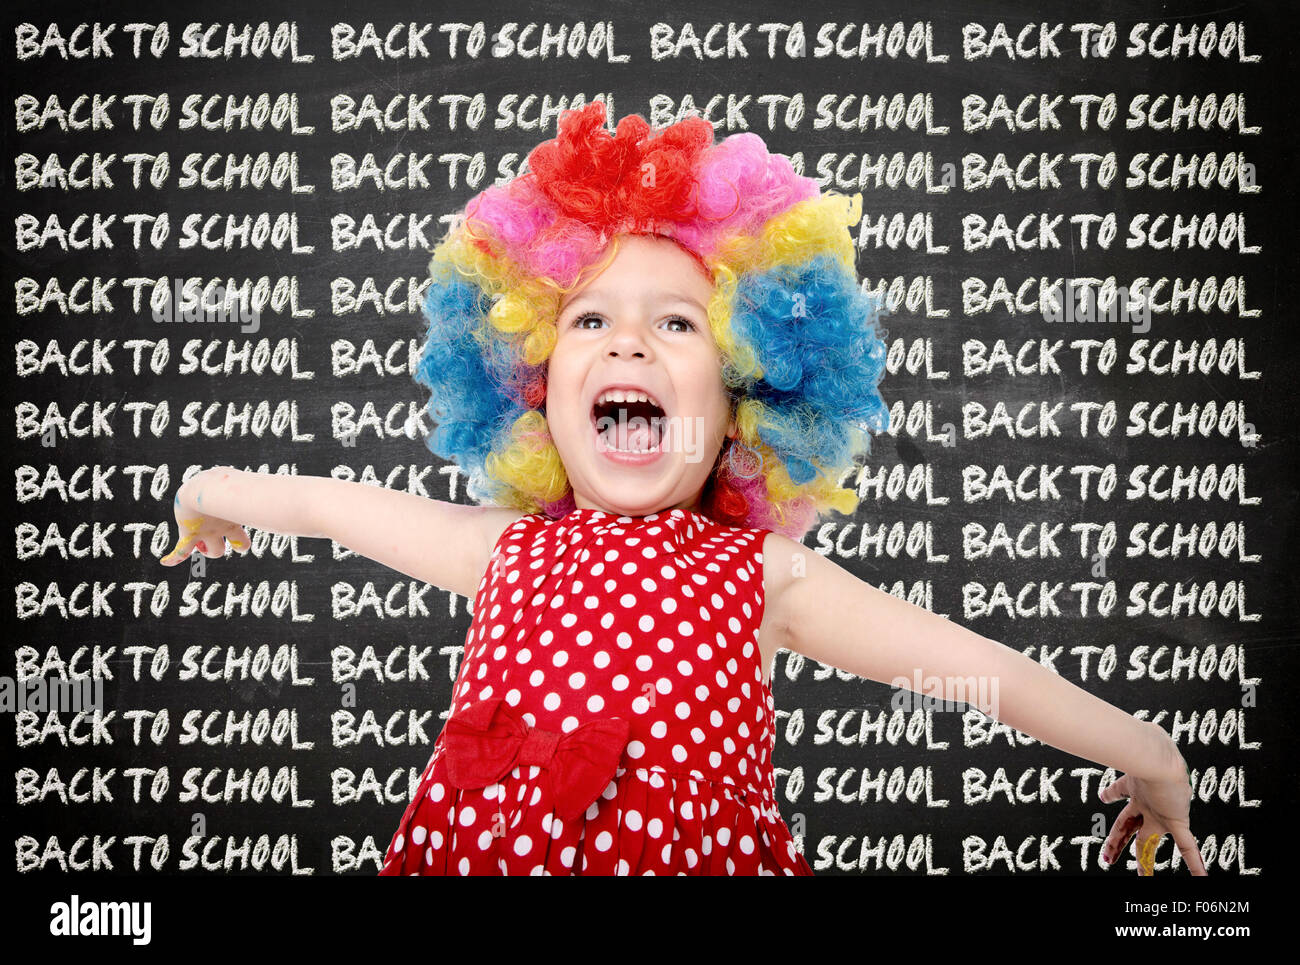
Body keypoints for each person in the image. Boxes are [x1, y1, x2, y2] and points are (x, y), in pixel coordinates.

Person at [159, 101, 1205, 876]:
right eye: (587, 320)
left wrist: (1152, 753)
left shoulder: (769, 576)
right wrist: (204, 486)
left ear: (747, 389)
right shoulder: (497, 548)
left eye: (676, 323)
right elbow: (316, 502)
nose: (628, 340)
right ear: (529, 387)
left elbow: (982, 675)